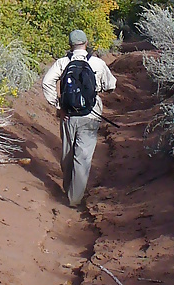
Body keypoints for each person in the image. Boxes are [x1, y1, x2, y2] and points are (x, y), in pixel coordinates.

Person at [42, 30, 117, 207]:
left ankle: (68, 188)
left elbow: (47, 82)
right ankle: (74, 199)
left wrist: (58, 106)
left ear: (70, 44)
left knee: (67, 153)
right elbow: (111, 85)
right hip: (91, 114)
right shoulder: (97, 63)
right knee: (83, 156)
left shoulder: (62, 63)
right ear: (86, 42)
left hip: (68, 114)